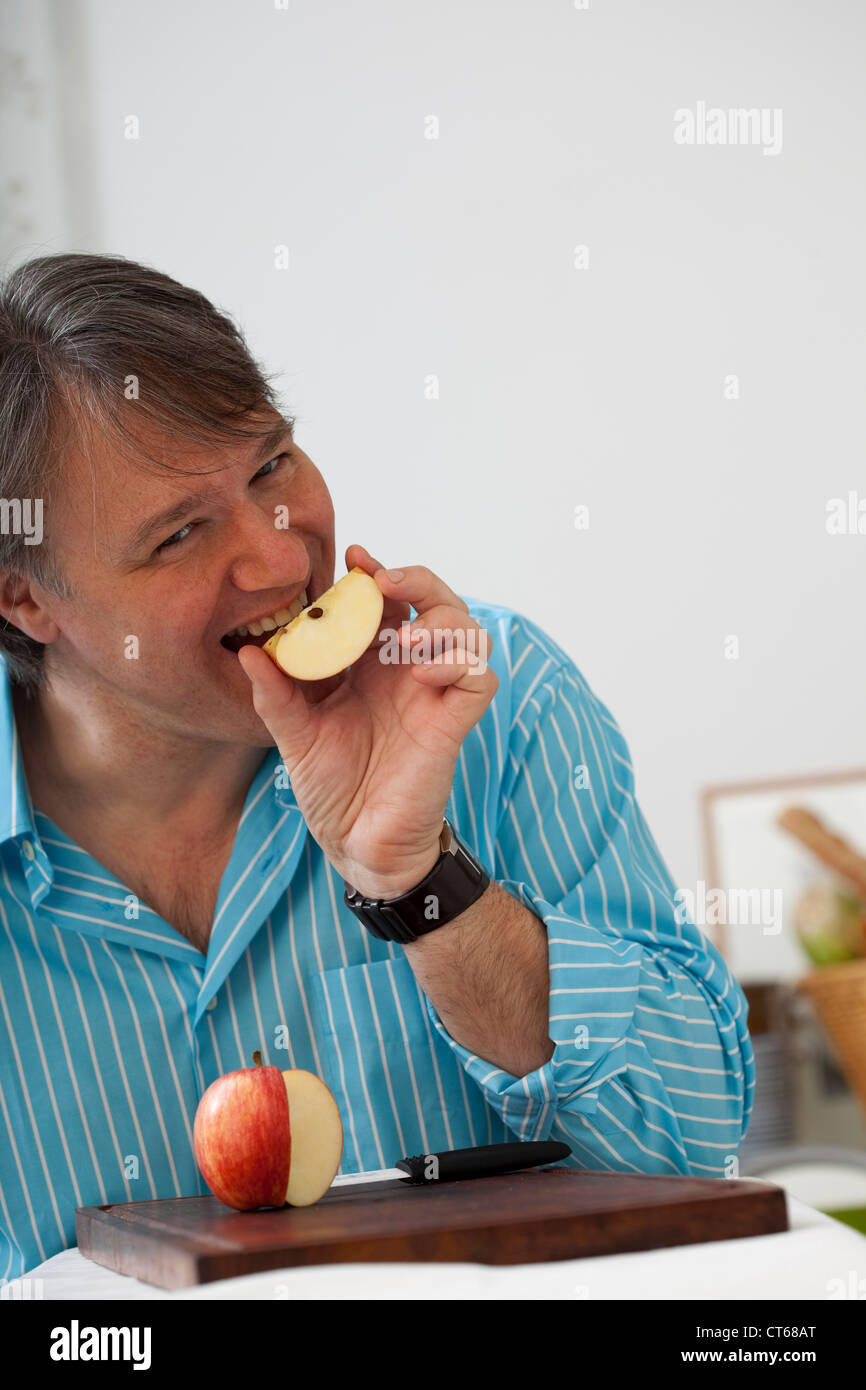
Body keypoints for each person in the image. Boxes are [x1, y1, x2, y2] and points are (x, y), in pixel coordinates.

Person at [0, 254, 755, 1280]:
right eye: (178, 534)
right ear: (25, 599)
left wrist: (417, 879)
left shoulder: (486, 698)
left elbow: (689, 1144)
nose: (277, 558)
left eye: (270, 466)